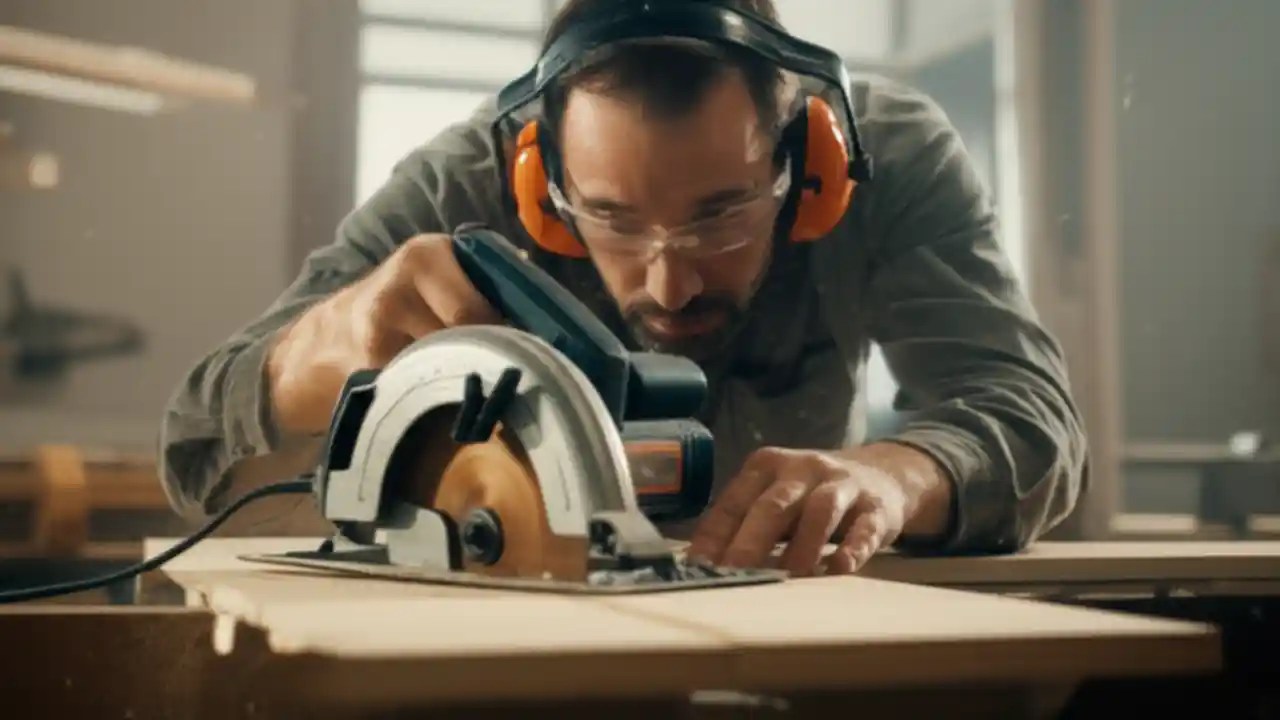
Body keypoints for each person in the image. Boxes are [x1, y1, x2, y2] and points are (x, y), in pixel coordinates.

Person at [158, 0, 1088, 577]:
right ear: (539, 184)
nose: (670, 282)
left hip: (789, 625)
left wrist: (895, 475)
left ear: (814, 169)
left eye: (721, 215)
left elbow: (1030, 418)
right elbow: (194, 446)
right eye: (614, 218)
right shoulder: (463, 184)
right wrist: (320, 348)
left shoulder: (892, 153)